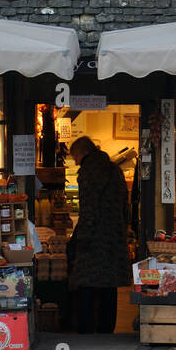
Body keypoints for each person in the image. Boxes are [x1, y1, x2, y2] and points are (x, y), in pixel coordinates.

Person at [67, 135, 131, 334]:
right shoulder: (114, 170)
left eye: (75, 157)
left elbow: (89, 208)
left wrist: (80, 239)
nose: (75, 161)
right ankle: (106, 329)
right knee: (109, 287)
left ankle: (86, 329)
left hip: (93, 237)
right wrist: (124, 229)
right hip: (114, 236)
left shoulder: (88, 172)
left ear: (82, 153)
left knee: (86, 284)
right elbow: (125, 206)